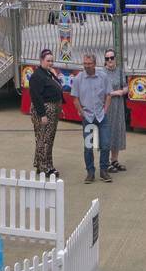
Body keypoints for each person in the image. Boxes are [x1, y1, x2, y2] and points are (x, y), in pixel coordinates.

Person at [71, 53, 112, 184]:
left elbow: (108, 94)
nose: (87, 66)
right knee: (89, 147)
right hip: (88, 117)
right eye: (85, 64)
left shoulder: (103, 77)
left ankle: (104, 171)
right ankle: (90, 172)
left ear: (95, 64)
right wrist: (81, 112)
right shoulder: (78, 79)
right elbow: (75, 98)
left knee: (105, 144)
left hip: (101, 116)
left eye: (89, 64)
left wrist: (105, 110)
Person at [27, 49, 65, 177]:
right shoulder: (37, 76)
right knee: (44, 139)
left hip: (52, 108)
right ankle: (45, 167)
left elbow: (57, 89)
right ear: (41, 60)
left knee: (47, 138)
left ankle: (41, 164)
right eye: (48, 61)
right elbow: (36, 96)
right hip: (44, 110)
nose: (50, 63)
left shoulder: (48, 73)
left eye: (52, 61)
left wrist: (60, 106)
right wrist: (42, 114)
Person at [103, 50, 127, 174]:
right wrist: (115, 93)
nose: (110, 60)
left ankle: (114, 160)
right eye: (107, 58)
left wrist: (120, 92)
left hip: (118, 106)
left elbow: (126, 87)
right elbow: (101, 91)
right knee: (108, 132)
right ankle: (105, 162)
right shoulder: (102, 73)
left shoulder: (120, 71)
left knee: (117, 130)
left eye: (112, 58)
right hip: (107, 105)